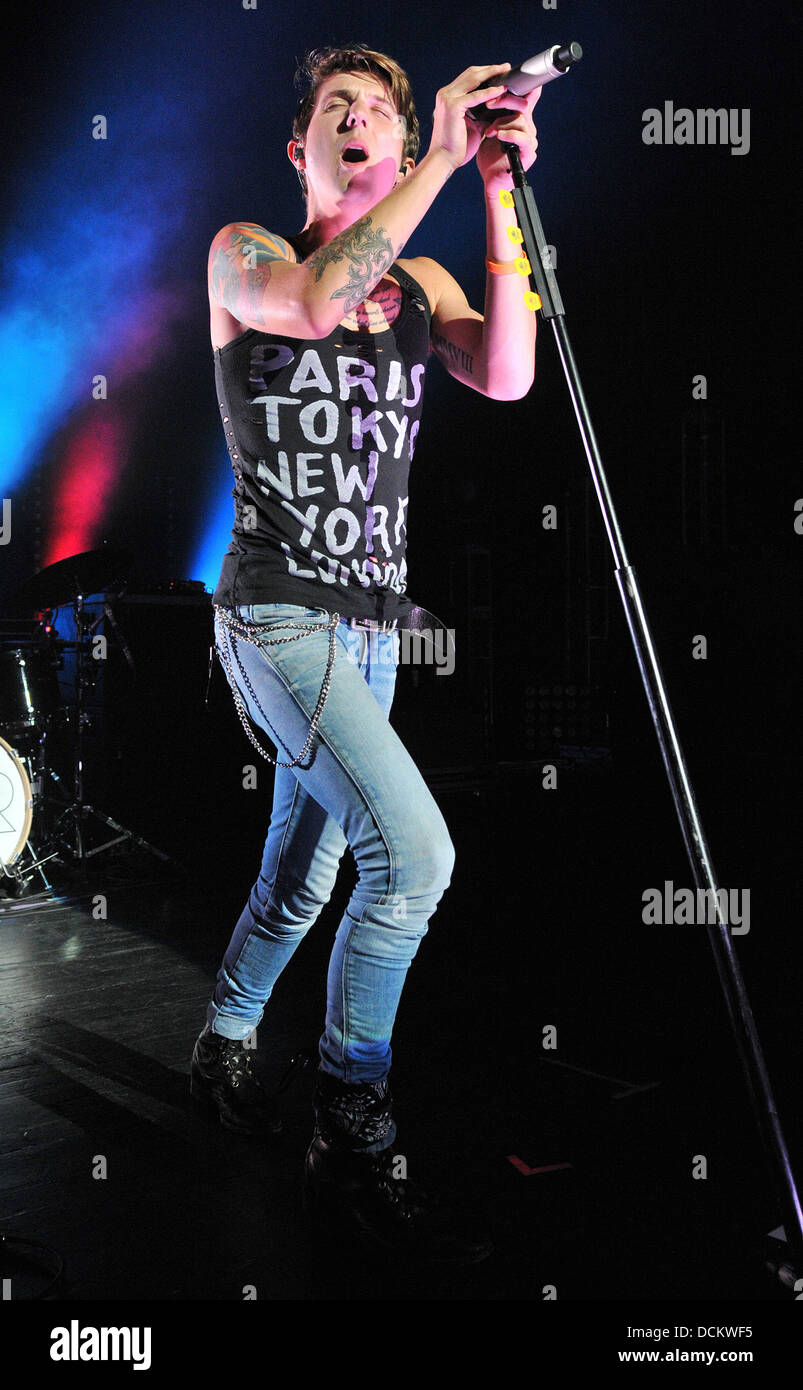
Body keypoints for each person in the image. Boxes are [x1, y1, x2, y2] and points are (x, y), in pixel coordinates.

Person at [191, 43, 540, 1262]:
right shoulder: (249, 253)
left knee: (310, 871)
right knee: (415, 858)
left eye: (381, 114)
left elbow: (505, 373)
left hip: (369, 627)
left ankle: (224, 1041)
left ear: (395, 145)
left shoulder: (428, 271)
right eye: (336, 111)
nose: (359, 123)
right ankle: (352, 1123)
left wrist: (492, 182)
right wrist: (440, 156)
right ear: (302, 150)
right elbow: (309, 305)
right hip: (276, 614)